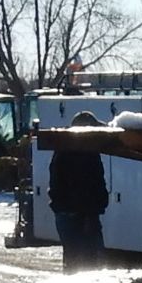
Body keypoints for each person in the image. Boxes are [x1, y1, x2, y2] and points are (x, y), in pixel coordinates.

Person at [49, 111, 109, 270]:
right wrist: (89, 215)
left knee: (74, 263)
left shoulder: (64, 150)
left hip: (68, 214)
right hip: (80, 216)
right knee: (89, 264)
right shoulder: (84, 154)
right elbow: (87, 186)